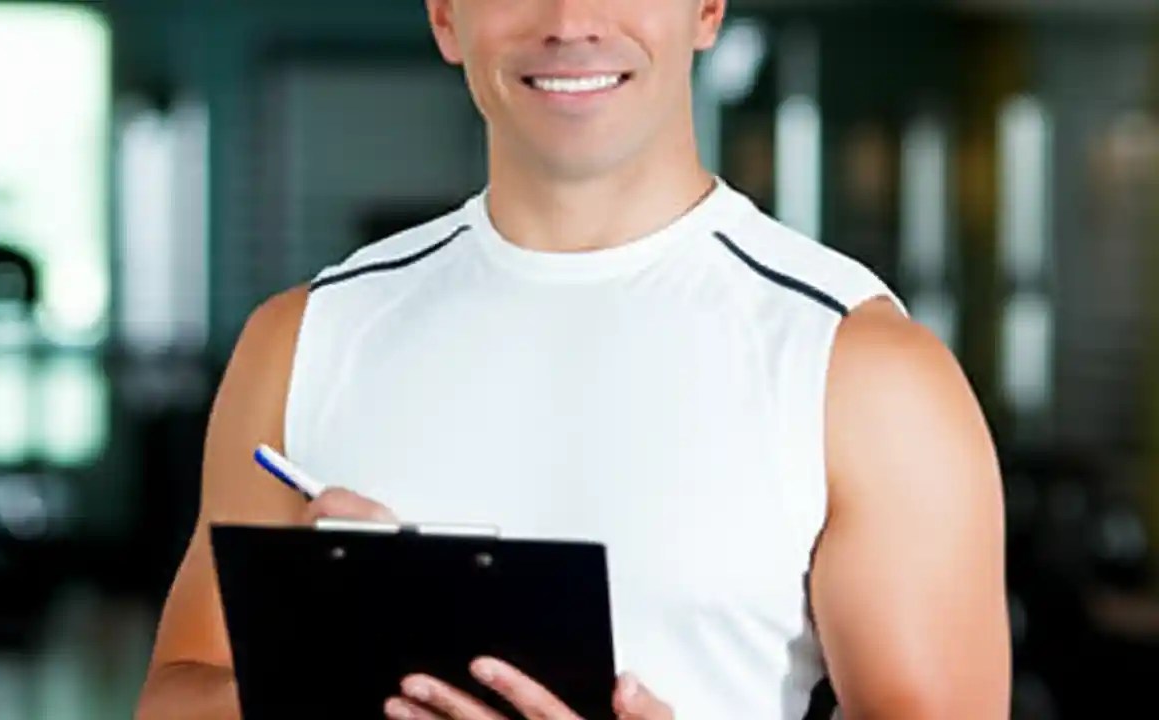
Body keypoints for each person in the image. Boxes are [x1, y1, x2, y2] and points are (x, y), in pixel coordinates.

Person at [136, 0, 1011, 718]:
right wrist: (351, 664)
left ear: (705, 8)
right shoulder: (304, 340)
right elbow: (173, 697)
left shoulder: (861, 368)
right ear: (445, 17)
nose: (569, 20)